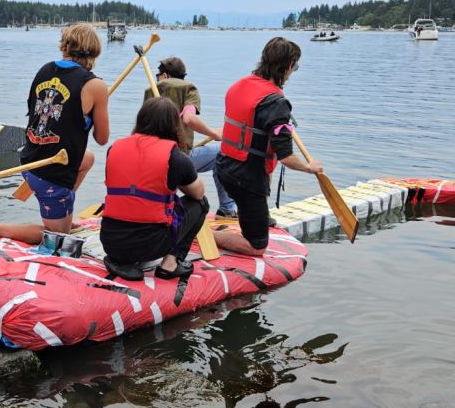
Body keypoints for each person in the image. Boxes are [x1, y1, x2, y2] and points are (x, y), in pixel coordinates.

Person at [0, 23, 110, 244]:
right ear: (94, 51)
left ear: (65, 46)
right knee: (58, 237)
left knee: (87, 159)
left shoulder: (45, 70)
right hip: (52, 170)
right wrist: (93, 112)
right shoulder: (95, 85)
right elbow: (102, 138)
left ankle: (62, 204)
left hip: (30, 160)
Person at [214, 37, 323, 256]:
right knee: (258, 247)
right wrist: (309, 167)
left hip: (224, 167)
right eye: (295, 66)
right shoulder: (276, 103)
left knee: (256, 209)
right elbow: (285, 157)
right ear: (289, 65)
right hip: (246, 180)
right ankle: (206, 234)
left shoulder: (240, 85)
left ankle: (254, 220)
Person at [100, 97, 208, 281]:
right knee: (201, 204)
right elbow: (198, 193)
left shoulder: (114, 148)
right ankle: (170, 263)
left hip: (110, 240)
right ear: (173, 125)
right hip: (150, 245)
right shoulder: (176, 158)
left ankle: (120, 260)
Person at [144, 56, 238, 219]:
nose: (157, 79)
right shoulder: (189, 88)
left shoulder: (151, 90)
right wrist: (215, 134)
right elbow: (188, 118)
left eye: (158, 75)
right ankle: (227, 210)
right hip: (178, 157)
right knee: (224, 151)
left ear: (165, 75)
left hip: (151, 156)